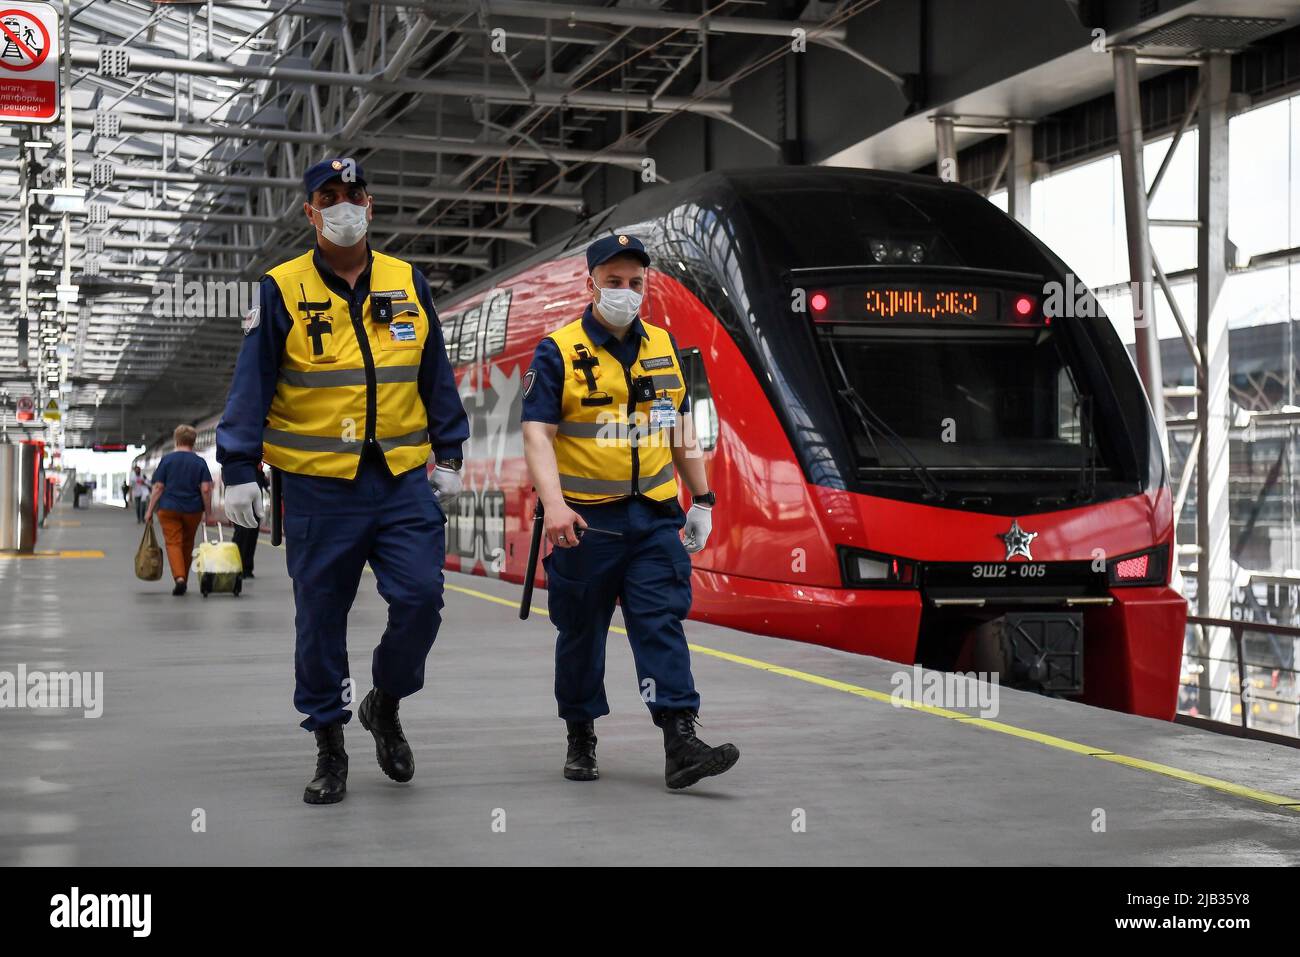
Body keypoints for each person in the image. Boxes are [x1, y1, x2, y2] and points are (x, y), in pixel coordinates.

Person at [215, 157, 469, 806]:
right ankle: (330, 743)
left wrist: (451, 451)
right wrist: (239, 467)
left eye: (353, 194)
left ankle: (384, 700)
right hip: (318, 487)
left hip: (401, 478)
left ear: (371, 203)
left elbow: (434, 370)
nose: (343, 205)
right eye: (328, 196)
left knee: (421, 599)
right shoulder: (280, 289)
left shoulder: (407, 281)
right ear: (310, 211)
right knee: (320, 621)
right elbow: (254, 383)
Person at [520, 233, 739, 790]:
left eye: (635, 283)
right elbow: (538, 434)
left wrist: (703, 500)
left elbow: (682, 429)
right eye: (613, 282)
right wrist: (555, 506)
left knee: (660, 622)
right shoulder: (559, 350)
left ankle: (680, 739)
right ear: (590, 282)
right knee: (581, 633)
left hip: (655, 520)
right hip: (587, 525)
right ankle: (580, 731)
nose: (625, 292)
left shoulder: (663, 346)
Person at [143, 425, 215, 596]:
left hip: (169, 509)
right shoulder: (199, 462)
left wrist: (149, 510)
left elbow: (158, 487)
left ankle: (180, 579)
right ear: (193, 441)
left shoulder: (167, 460)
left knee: (173, 543)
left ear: (176, 440)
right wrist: (208, 513)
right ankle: (184, 578)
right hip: (193, 510)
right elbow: (206, 489)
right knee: (187, 544)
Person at [229, 464, 269, 578]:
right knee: (241, 534)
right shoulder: (236, 462)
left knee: (251, 535)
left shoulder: (255, 464)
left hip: (254, 505)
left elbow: (261, 477)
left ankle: (247, 567)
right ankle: (236, 566)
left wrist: (269, 486)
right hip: (240, 504)